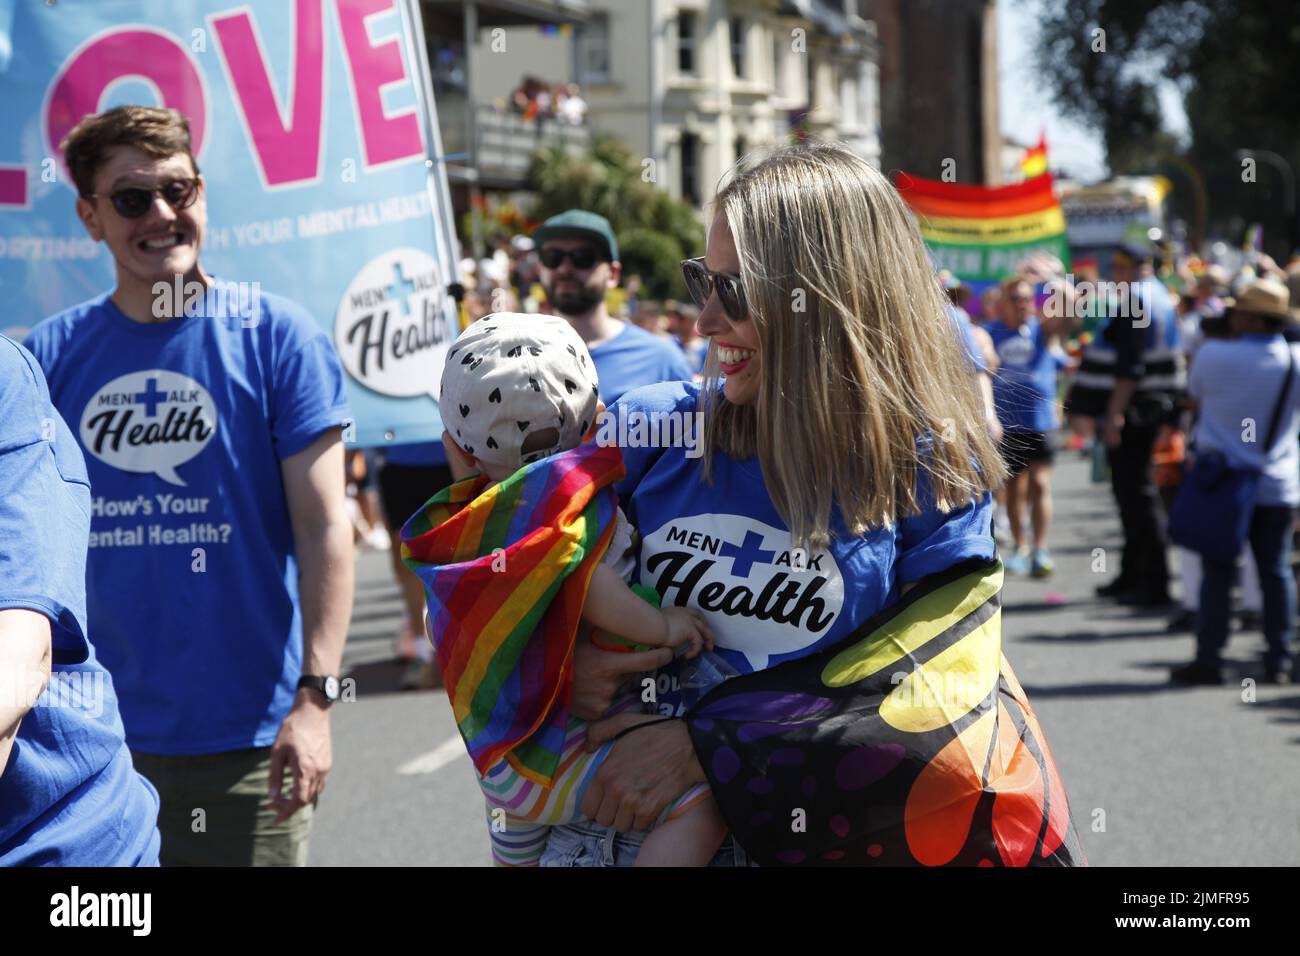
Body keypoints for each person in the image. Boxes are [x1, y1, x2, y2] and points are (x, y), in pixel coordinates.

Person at [536, 142, 1083, 867]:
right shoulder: (648, 426)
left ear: (828, 297)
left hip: (831, 837)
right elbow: (501, 570)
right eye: (703, 279)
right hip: (629, 829)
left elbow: (939, 683)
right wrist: (565, 652)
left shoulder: (929, 466)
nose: (703, 321)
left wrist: (709, 746)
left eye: (734, 290)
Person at [24, 105, 354, 866]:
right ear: (90, 217)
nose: (164, 215)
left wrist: (317, 699)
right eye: (133, 199)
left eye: (180, 190)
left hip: (247, 742)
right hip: (84, 747)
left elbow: (325, 527)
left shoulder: (278, 337)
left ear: (203, 194)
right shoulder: (49, 358)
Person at [402, 313, 728, 866]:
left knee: (516, 855)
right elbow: (591, 582)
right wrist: (665, 626)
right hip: (564, 753)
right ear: (599, 420)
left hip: (503, 765)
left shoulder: (467, 525)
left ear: (458, 451)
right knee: (701, 804)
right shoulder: (565, 504)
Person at [0, 335, 161, 865]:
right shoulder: (58, 340)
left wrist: (317, 687)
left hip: (63, 843)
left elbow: (18, 658)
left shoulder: (10, 377)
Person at [1170, 278, 1300, 686]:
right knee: (1275, 570)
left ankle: (1210, 658)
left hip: (1222, 479)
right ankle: (1279, 658)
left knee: (1218, 571)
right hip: (1276, 480)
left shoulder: (1212, 355)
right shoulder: (1294, 359)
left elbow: (1196, 397)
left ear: (1247, 316)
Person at [1072, 245, 1186, 606]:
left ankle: (1152, 583)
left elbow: (1130, 367)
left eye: (1116, 266)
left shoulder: (1137, 299)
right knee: (1133, 493)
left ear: (1127, 267)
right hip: (1150, 406)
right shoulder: (1158, 295)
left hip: (1138, 410)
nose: (1113, 273)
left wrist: (1116, 415)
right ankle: (1133, 573)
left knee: (1135, 493)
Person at [532, 209, 693, 404]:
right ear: (540, 269)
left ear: (613, 274)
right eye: (553, 257)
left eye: (583, 257)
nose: (565, 268)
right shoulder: (517, 356)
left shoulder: (664, 361)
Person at [985, 275, 1080, 576]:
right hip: (1008, 424)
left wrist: (1055, 280)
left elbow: (1072, 313)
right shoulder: (990, 333)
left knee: (1040, 483)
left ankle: (1040, 548)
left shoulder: (1042, 330)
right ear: (1002, 304)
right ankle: (1021, 546)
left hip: (1041, 421)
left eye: (1027, 298)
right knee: (1014, 489)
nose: (1023, 304)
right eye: (1015, 299)